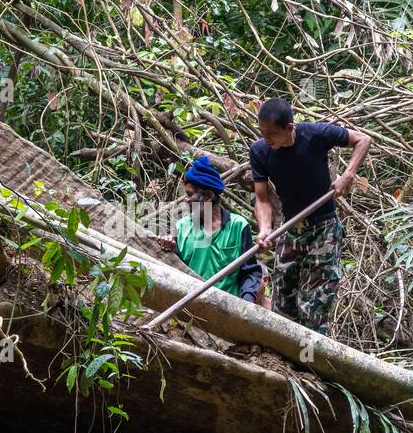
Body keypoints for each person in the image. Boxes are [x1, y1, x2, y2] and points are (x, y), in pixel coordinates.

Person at [249, 96, 371, 335]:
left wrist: (347, 175)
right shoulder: (260, 151)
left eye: (272, 133)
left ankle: (310, 364)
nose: (266, 138)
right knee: (283, 304)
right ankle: (282, 364)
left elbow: (363, 139)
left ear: (289, 128)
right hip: (290, 230)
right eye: (262, 132)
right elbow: (262, 199)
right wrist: (264, 229)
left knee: (314, 307)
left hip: (323, 228)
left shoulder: (314, 134)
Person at [158, 155, 263, 303]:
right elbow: (177, 270)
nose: (186, 200)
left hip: (230, 309)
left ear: (208, 196)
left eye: (190, 194)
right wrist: (171, 250)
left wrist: (247, 300)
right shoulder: (182, 227)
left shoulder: (238, 225)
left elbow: (250, 271)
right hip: (191, 307)